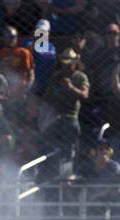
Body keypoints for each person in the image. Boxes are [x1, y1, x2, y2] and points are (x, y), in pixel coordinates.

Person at [39, 47, 89, 179]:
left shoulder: (79, 76)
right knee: (49, 147)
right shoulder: (57, 77)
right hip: (54, 118)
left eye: (69, 62)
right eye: (64, 62)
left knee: (68, 149)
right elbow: (47, 97)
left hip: (70, 117)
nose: (66, 66)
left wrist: (71, 88)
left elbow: (84, 95)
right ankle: (49, 175)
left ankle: (66, 176)